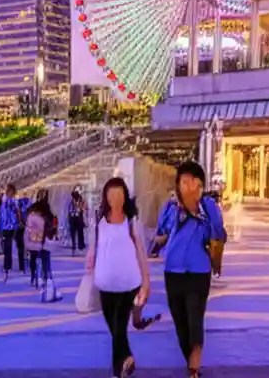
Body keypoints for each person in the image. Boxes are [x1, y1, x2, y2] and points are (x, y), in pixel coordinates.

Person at [156, 161, 226, 378]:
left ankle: (194, 370)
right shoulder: (170, 207)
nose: (185, 186)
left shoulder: (208, 206)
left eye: (190, 182)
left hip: (198, 271)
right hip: (172, 271)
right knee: (180, 322)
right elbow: (160, 235)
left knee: (195, 318)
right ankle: (191, 364)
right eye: (182, 182)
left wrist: (202, 214)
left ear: (199, 184)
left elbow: (219, 235)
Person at [87, 177, 153, 378]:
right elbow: (94, 246)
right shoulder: (99, 221)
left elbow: (141, 251)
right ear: (106, 197)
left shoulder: (131, 222)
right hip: (105, 282)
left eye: (119, 194)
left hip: (128, 282)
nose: (115, 199)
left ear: (125, 197)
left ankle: (119, 370)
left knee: (119, 326)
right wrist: (89, 260)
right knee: (114, 327)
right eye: (111, 195)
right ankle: (126, 359)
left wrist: (146, 280)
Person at [25, 192, 61, 301]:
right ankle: (47, 290)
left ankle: (38, 282)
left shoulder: (33, 209)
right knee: (46, 265)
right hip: (44, 242)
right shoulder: (46, 210)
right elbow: (52, 226)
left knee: (36, 261)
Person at [0, 184, 23, 281]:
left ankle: (8, 265)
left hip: (11, 226)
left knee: (10, 245)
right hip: (6, 226)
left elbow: (18, 212)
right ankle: (8, 265)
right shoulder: (5, 199)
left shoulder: (12, 200)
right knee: (7, 246)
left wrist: (20, 221)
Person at [68, 190, 89, 254]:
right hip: (72, 218)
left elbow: (85, 208)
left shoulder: (81, 201)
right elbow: (69, 209)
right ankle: (74, 245)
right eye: (73, 196)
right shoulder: (71, 201)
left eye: (74, 196)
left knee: (80, 232)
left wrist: (81, 208)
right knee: (73, 232)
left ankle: (80, 246)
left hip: (79, 218)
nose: (74, 197)